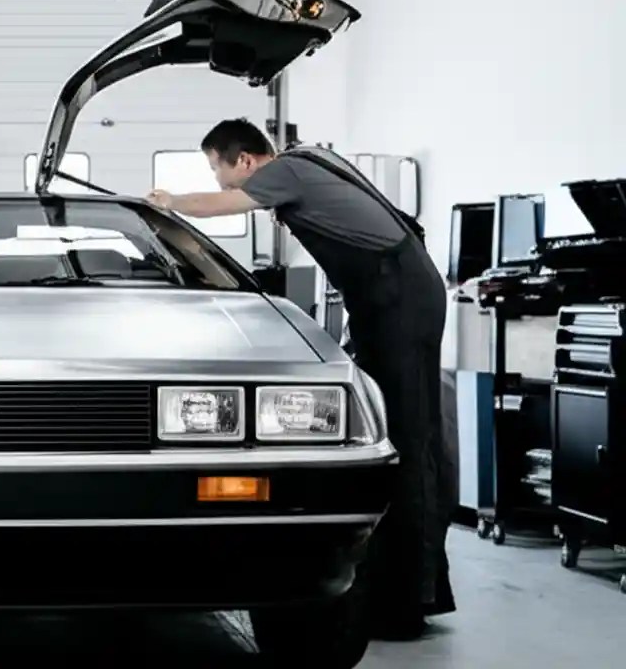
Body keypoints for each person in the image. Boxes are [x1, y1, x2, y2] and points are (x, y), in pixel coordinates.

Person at [146, 118, 456, 639]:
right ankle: (405, 590)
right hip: (391, 295)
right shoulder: (308, 161)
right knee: (400, 435)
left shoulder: (286, 171)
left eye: (218, 169)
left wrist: (168, 200)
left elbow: (222, 206)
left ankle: (407, 603)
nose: (221, 182)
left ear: (244, 159)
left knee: (407, 437)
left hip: (400, 297)